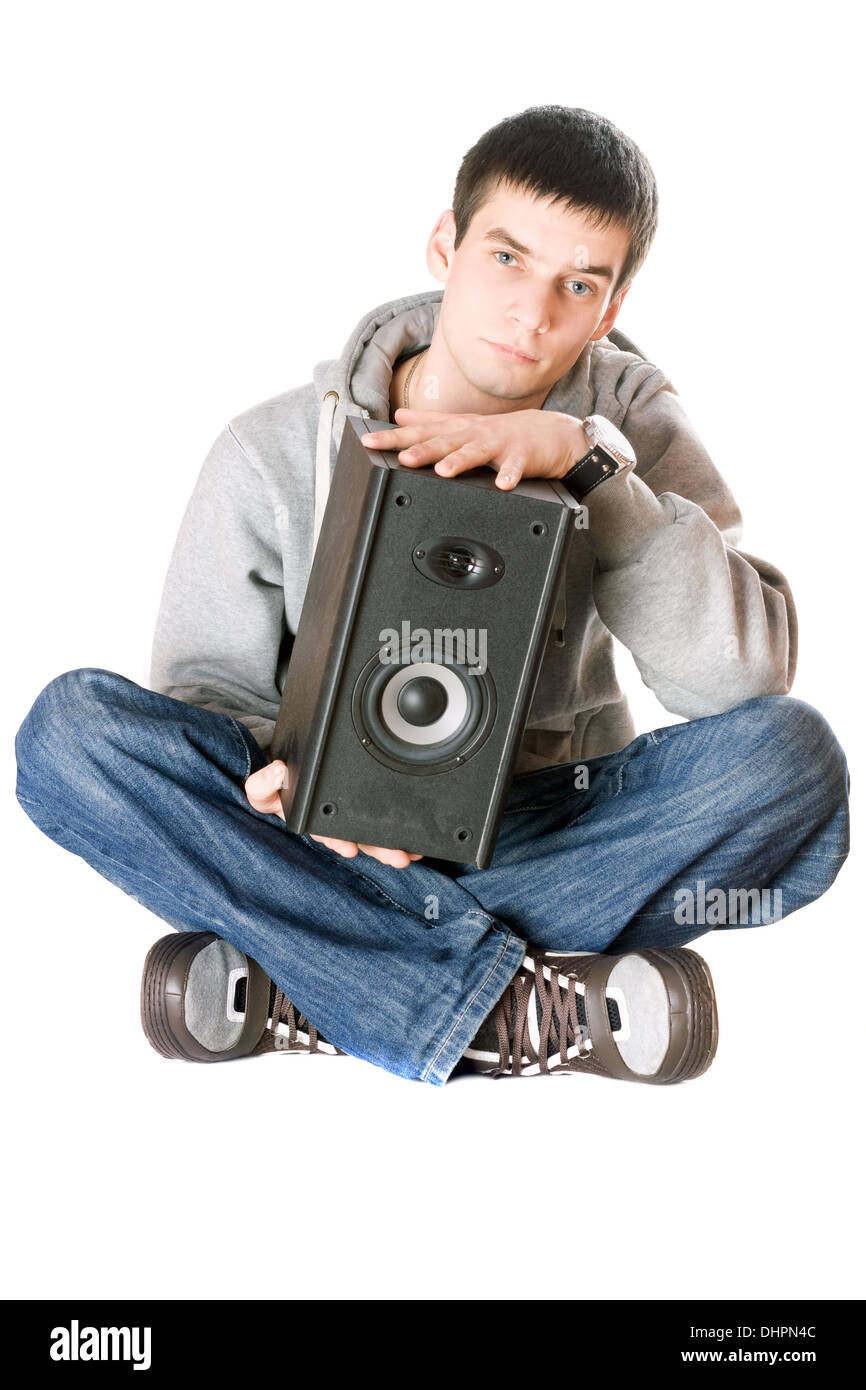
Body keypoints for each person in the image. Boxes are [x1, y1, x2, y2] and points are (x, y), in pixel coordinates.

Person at [14, 105, 850, 1087]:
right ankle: (515, 1003)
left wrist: (590, 474)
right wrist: (287, 774)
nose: (530, 314)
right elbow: (203, 696)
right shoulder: (270, 448)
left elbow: (737, 679)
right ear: (444, 243)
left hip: (546, 816)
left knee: (793, 765)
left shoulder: (624, 421)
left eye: (574, 284)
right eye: (504, 258)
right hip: (321, 824)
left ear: (608, 306)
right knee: (68, 734)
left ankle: (314, 975)